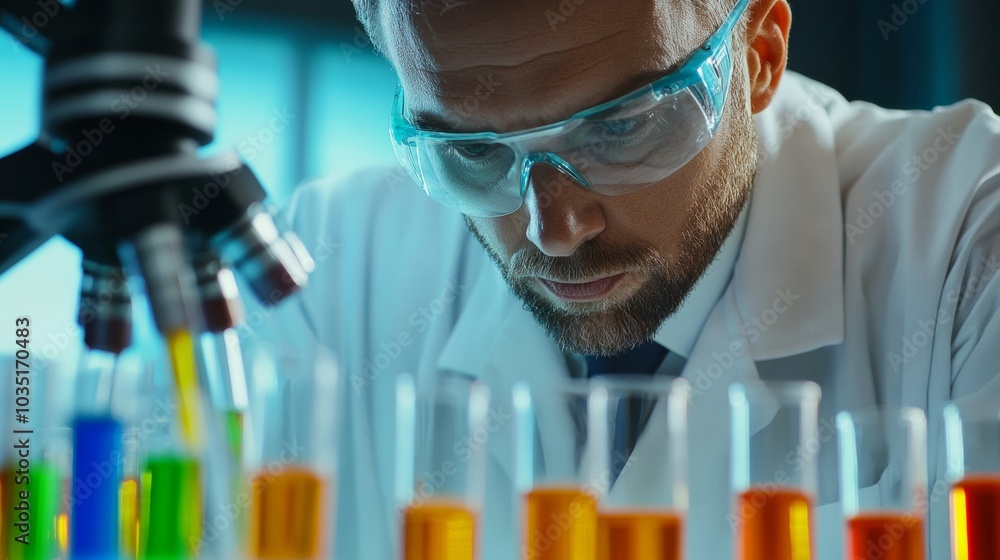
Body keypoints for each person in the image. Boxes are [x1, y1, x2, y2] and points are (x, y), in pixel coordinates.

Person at [269, 0, 1000, 558]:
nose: (554, 232)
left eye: (621, 127)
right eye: (472, 151)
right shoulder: (324, 274)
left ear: (759, 55)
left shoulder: (966, 239)